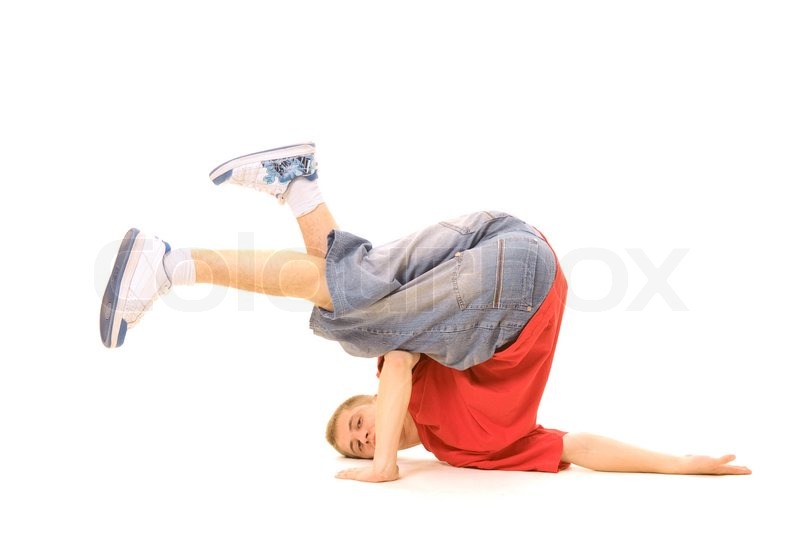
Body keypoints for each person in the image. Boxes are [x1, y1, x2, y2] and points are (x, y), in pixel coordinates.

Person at [99, 142, 752, 483]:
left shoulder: (404, 364)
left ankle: (194, 252)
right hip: (516, 277)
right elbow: (579, 447)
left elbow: (399, 370)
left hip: (500, 255)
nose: (364, 435)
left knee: (363, 305)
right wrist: (677, 463)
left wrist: (385, 460)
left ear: (370, 398)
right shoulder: (461, 451)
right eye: (360, 444)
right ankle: (286, 194)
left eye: (358, 422)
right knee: (358, 291)